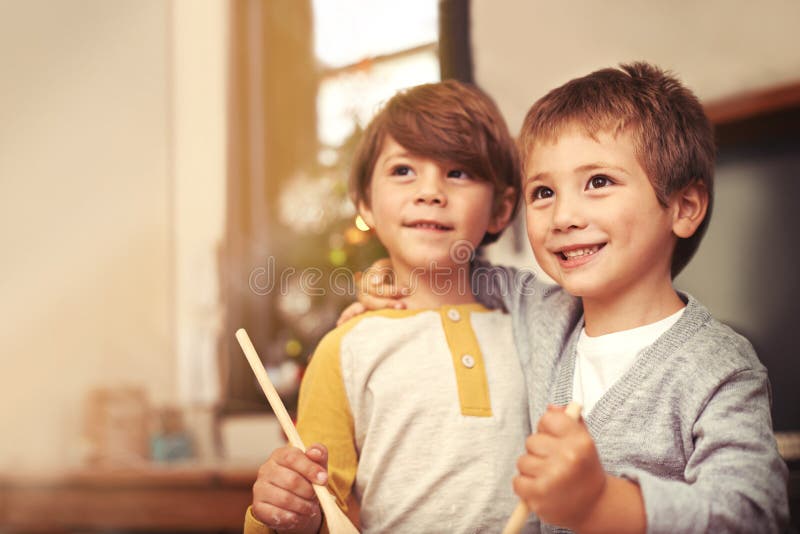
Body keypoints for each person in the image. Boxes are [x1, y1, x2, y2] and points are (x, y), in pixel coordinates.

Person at [355, 63, 789, 533]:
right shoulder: (541, 313)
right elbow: (447, 269)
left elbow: (753, 514)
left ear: (683, 208)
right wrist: (386, 275)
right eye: (543, 192)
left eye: (598, 182)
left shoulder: (720, 365)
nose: (562, 216)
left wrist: (601, 503)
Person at [243, 80, 579, 534]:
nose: (430, 192)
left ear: (501, 209)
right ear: (365, 203)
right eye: (403, 171)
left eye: (458, 173)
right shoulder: (344, 349)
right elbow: (318, 507)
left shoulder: (538, 328)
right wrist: (285, 508)